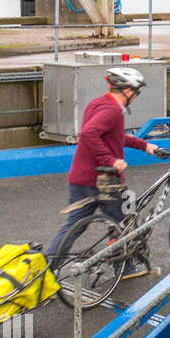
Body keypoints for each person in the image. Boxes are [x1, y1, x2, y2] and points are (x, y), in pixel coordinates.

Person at [45, 67, 159, 272]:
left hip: (81, 178)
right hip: (104, 180)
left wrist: (144, 146)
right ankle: (124, 269)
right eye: (136, 92)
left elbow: (114, 137)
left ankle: (46, 273)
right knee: (123, 221)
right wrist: (111, 160)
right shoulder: (113, 110)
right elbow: (89, 134)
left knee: (73, 227)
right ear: (126, 90)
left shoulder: (98, 103)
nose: (136, 96)